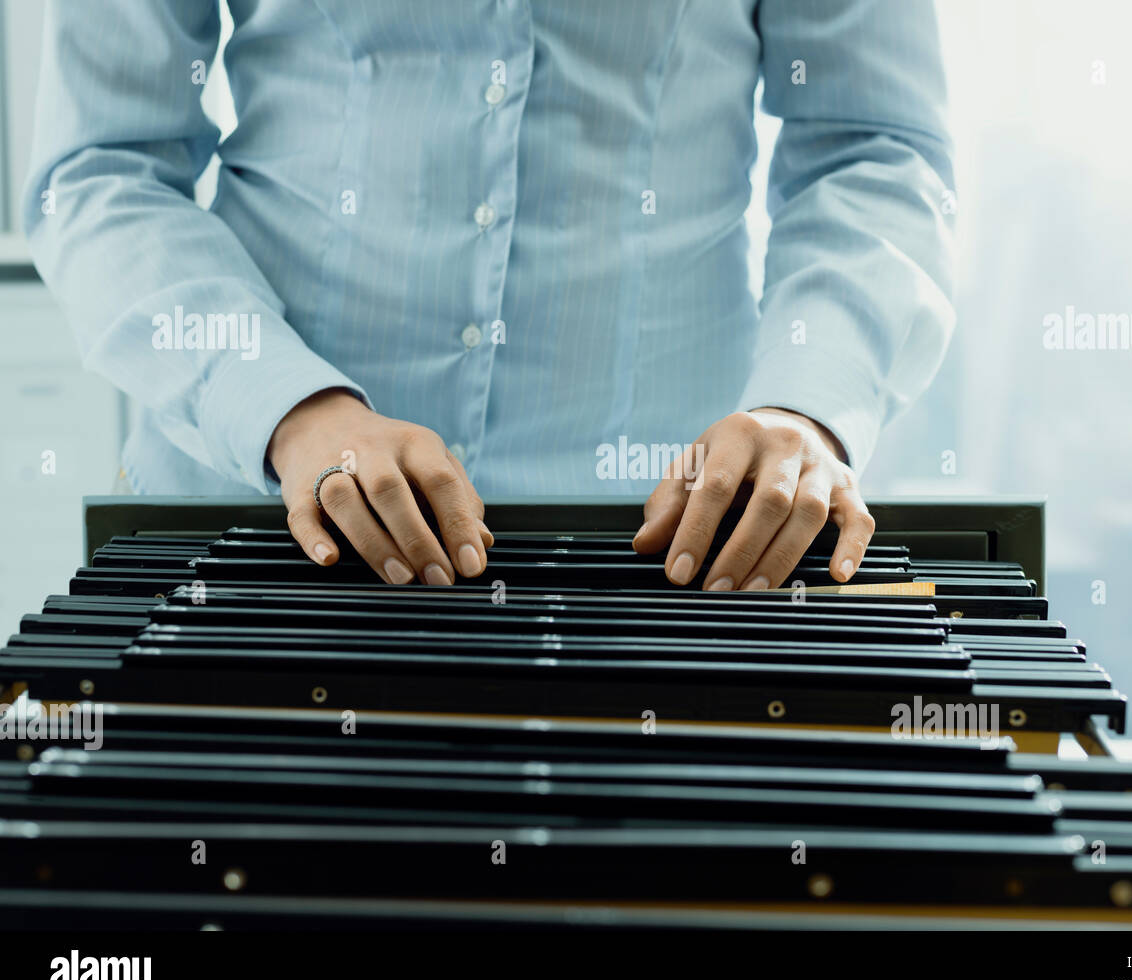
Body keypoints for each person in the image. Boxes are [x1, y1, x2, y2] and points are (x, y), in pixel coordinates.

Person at [24, 0, 955, 591]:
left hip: (674, 550)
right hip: (251, 512)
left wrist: (805, 407)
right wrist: (285, 407)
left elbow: (872, 148)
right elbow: (103, 164)